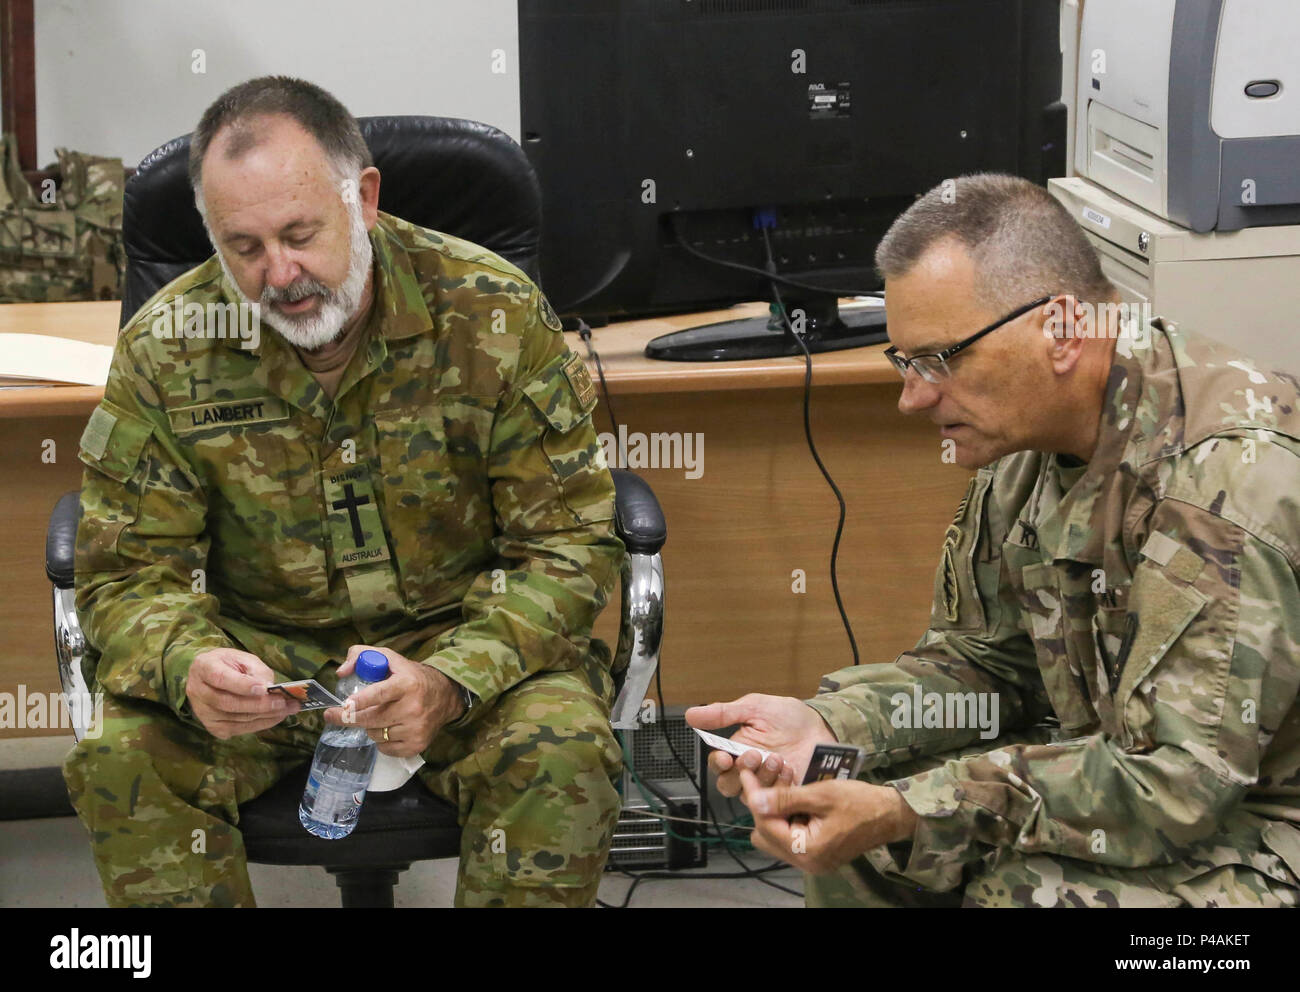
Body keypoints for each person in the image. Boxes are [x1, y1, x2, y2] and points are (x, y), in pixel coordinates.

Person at [63, 76, 624, 908]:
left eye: (299, 234)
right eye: (242, 247)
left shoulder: (492, 314)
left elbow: (568, 546)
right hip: (265, 670)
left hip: (460, 647)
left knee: (563, 747)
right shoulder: (167, 348)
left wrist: (453, 677)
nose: (279, 274)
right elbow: (125, 574)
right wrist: (189, 665)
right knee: (123, 754)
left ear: (362, 199)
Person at [687, 173, 1300, 907]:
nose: (912, 397)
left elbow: (1176, 785)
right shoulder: (1029, 443)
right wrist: (827, 723)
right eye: (905, 363)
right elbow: (989, 667)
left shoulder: (1224, 482)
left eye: (940, 361)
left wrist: (917, 810)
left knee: (1015, 890)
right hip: (1151, 790)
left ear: (1063, 331)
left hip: (1265, 836)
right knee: (865, 829)